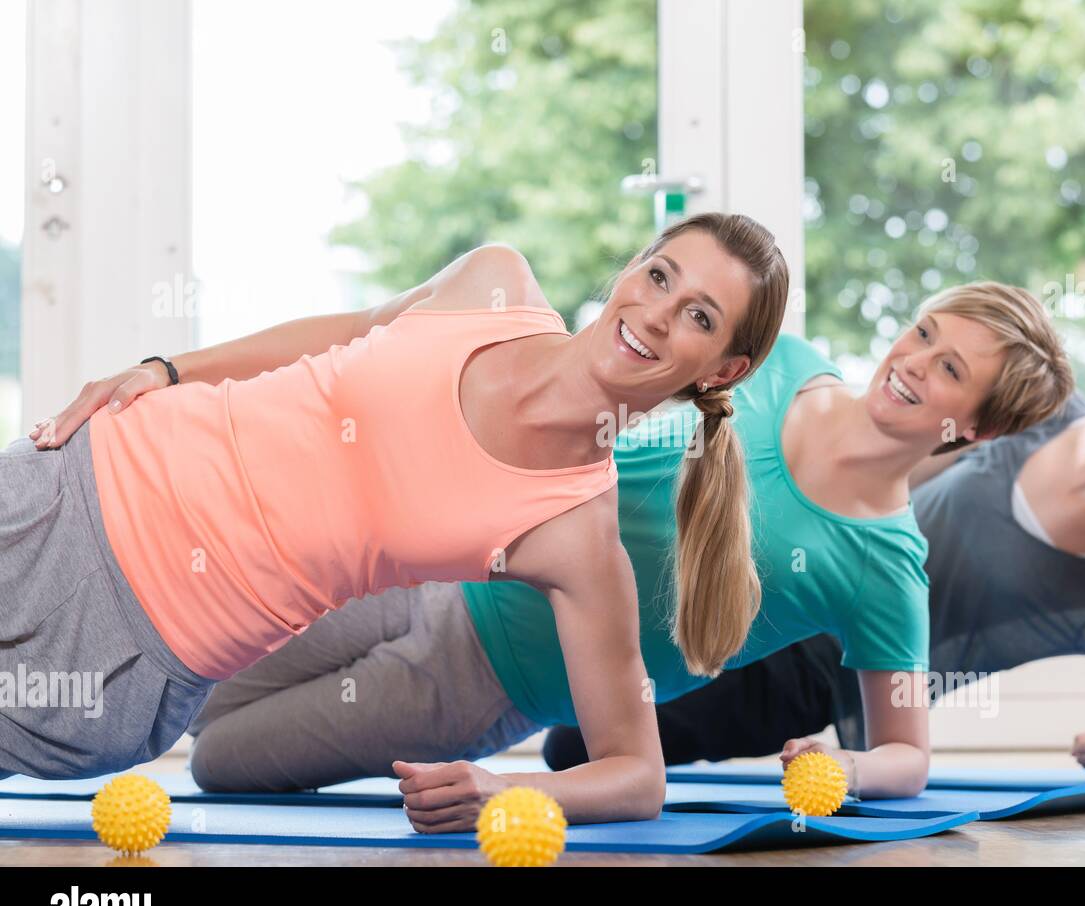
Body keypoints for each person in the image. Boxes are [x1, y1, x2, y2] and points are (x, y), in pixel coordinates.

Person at [2, 212, 788, 829]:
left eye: (698, 316)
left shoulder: (576, 533)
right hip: (71, 487)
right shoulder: (494, 284)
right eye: (658, 276)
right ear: (629, 269)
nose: (654, 314)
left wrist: (506, 786)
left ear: (722, 369)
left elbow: (637, 774)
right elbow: (342, 331)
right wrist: (165, 368)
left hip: (137, 651)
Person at [183, 281, 1074, 807]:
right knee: (197, 680)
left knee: (220, 760)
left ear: (977, 432)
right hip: (441, 559)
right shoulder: (783, 361)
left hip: (483, 682)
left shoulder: (886, 566)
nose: (913, 362)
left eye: (950, 370)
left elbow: (910, 755)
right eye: (925, 334)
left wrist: (849, 766)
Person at [543, 387, 1085, 782]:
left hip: (822, 678)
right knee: (567, 663)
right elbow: (893, 464)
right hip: (779, 581)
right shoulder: (1052, 411)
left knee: (571, 748)